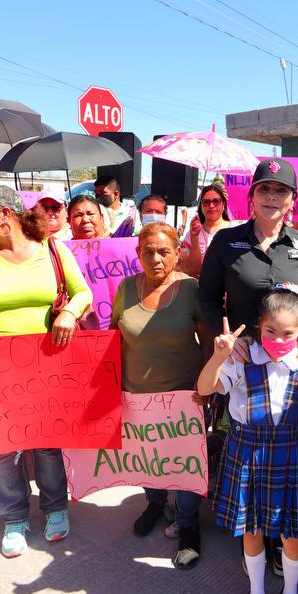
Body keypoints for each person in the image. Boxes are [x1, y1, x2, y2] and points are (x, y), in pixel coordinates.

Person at [0, 185, 92, 556]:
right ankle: (13, 517)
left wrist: (70, 313)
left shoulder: (54, 251)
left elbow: (83, 292)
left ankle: (55, 507)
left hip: (47, 364)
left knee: (47, 443)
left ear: (5, 215)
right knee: (4, 449)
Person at [198, 287, 298, 594]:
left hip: (285, 453)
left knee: (291, 533)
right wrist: (218, 357)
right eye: (270, 331)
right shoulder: (243, 359)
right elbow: (204, 388)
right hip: (245, 450)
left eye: (288, 333)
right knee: (251, 530)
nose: (278, 339)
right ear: (259, 328)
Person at [113, 222, 207, 567]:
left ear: (177, 253)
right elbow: (111, 338)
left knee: (184, 466)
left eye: (164, 251)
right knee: (147, 458)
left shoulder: (191, 290)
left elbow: (210, 340)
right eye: (148, 251)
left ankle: (188, 526)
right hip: (136, 395)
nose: (156, 259)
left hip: (184, 396)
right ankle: (154, 503)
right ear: (137, 253)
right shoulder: (125, 289)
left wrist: (206, 384)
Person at [198, 158, 298, 342]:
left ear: (292, 200)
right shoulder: (225, 241)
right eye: (264, 188)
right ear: (252, 196)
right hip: (240, 357)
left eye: (281, 190)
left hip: (293, 357)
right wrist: (227, 336)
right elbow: (207, 298)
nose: (271, 196)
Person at [179, 183, 234, 278]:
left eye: (216, 201)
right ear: (201, 205)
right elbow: (190, 270)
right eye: (206, 202)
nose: (211, 205)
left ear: (224, 203)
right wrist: (195, 237)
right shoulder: (192, 233)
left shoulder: (236, 230)